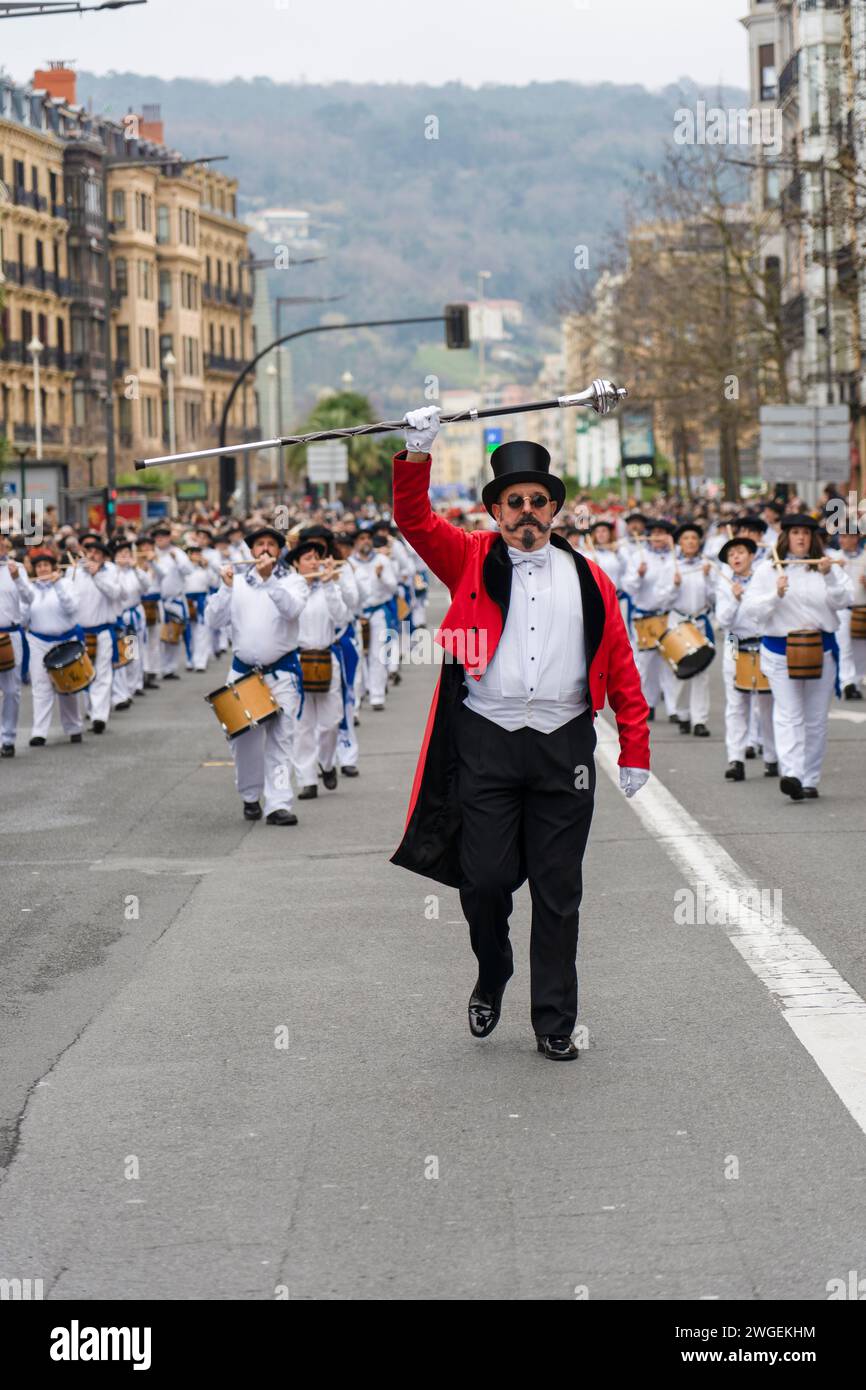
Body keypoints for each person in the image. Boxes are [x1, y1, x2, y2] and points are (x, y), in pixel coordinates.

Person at [391, 406, 650, 1062]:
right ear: (495, 511)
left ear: (554, 510)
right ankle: (493, 968)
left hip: (565, 746)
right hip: (487, 738)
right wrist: (416, 453)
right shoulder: (470, 558)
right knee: (484, 880)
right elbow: (414, 521)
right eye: (515, 501)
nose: (527, 511)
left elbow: (619, 662)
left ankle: (554, 1022)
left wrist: (636, 746)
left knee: (559, 890)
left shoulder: (591, 576)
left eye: (539, 501)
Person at [204, 525, 312, 825]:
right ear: (251, 551)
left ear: (279, 551)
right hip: (243, 674)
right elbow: (212, 620)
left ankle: (278, 803)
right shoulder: (236, 582)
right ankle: (250, 796)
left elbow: (292, 611)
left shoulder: (294, 581)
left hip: (282, 672)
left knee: (282, 738)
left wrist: (269, 582)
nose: (265, 549)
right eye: (259, 544)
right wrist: (225, 588)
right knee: (244, 741)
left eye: (271, 545)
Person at [742, 515, 854, 800]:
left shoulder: (825, 565)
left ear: (813, 537)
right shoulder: (768, 569)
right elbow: (752, 611)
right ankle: (791, 773)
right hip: (780, 650)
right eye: (795, 533)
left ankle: (809, 778)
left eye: (806, 533)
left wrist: (829, 576)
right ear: (786, 537)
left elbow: (844, 601)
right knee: (789, 714)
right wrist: (775, 595)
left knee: (815, 718)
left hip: (821, 648)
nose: (801, 538)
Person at [288, 534, 351, 800]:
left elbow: (342, 617)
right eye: (308, 559)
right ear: (296, 564)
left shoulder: (330, 586)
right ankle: (307, 779)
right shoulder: (289, 587)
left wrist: (328, 586)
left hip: (326, 657)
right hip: (299, 659)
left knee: (330, 723)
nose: (314, 563)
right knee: (302, 724)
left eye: (316, 558)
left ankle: (326, 763)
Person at [713, 536, 777, 782]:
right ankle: (735, 759)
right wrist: (735, 599)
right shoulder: (724, 584)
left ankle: (771, 757)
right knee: (736, 702)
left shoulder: (764, 579)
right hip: (733, 643)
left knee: (767, 703)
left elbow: (769, 611)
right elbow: (724, 620)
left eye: (740, 552)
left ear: (752, 555)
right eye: (731, 555)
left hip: (761, 642)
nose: (736, 557)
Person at [621, 519, 679, 724]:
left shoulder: (676, 556)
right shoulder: (639, 556)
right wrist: (639, 574)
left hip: (669, 615)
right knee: (646, 664)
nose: (658, 536)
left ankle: (673, 708)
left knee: (669, 662)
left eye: (663, 532)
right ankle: (648, 704)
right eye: (655, 532)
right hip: (645, 616)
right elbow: (628, 587)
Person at [25, 546, 84, 746]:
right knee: (41, 686)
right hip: (38, 641)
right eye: (39, 566)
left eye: (46, 565)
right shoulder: (30, 588)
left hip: (64, 640)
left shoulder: (66, 583)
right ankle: (39, 732)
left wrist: (58, 584)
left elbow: (72, 608)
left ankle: (74, 727)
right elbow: (23, 616)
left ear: (53, 567)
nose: (42, 569)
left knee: (68, 686)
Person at [68, 536, 122, 735]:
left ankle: (100, 716)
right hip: (80, 632)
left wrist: (97, 574)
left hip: (103, 630)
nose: (92, 555)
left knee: (104, 673)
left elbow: (116, 594)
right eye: (89, 551)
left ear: (104, 557)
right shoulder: (72, 571)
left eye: (97, 552)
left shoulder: (111, 572)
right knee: (84, 674)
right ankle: (91, 710)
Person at [669, 522, 714, 737]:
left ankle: (700, 720)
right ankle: (682, 713)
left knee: (702, 673)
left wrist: (708, 578)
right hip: (678, 622)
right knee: (682, 672)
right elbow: (662, 598)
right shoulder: (672, 565)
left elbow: (714, 598)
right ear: (679, 542)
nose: (690, 542)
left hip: (701, 622)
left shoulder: (707, 565)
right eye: (686, 538)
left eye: (694, 539)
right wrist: (674, 585)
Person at [349, 527, 398, 711]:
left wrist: (381, 575)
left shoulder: (382, 560)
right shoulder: (348, 563)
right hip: (358, 614)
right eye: (361, 538)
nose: (366, 541)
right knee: (360, 655)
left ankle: (377, 695)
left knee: (378, 653)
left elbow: (393, 588)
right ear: (355, 543)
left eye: (368, 538)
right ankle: (359, 695)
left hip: (378, 611)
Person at [0, 532, 32, 757]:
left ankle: (8, 738)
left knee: (12, 690)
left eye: (2, 539)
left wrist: (18, 579)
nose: (1, 543)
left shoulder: (16, 567)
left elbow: (30, 599)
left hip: (10, 635)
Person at [151, 524, 193, 680]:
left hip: (175, 598)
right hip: (158, 601)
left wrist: (178, 561)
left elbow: (189, 571)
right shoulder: (151, 553)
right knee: (160, 637)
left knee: (174, 635)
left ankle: (171, 668)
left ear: (169, 538)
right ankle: (159, 667)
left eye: (163, 536)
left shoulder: (178, 553)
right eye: (157, 537)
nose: (160, 539)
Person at [835, 526, 866, 700]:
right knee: (844, 646)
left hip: (863, 608)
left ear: (856, 538)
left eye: (846, 536)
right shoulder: (835, 558)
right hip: (844, 610)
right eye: (841, 536)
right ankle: (846, 682)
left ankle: (857, 679)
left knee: (861, 649)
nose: (842, 540)